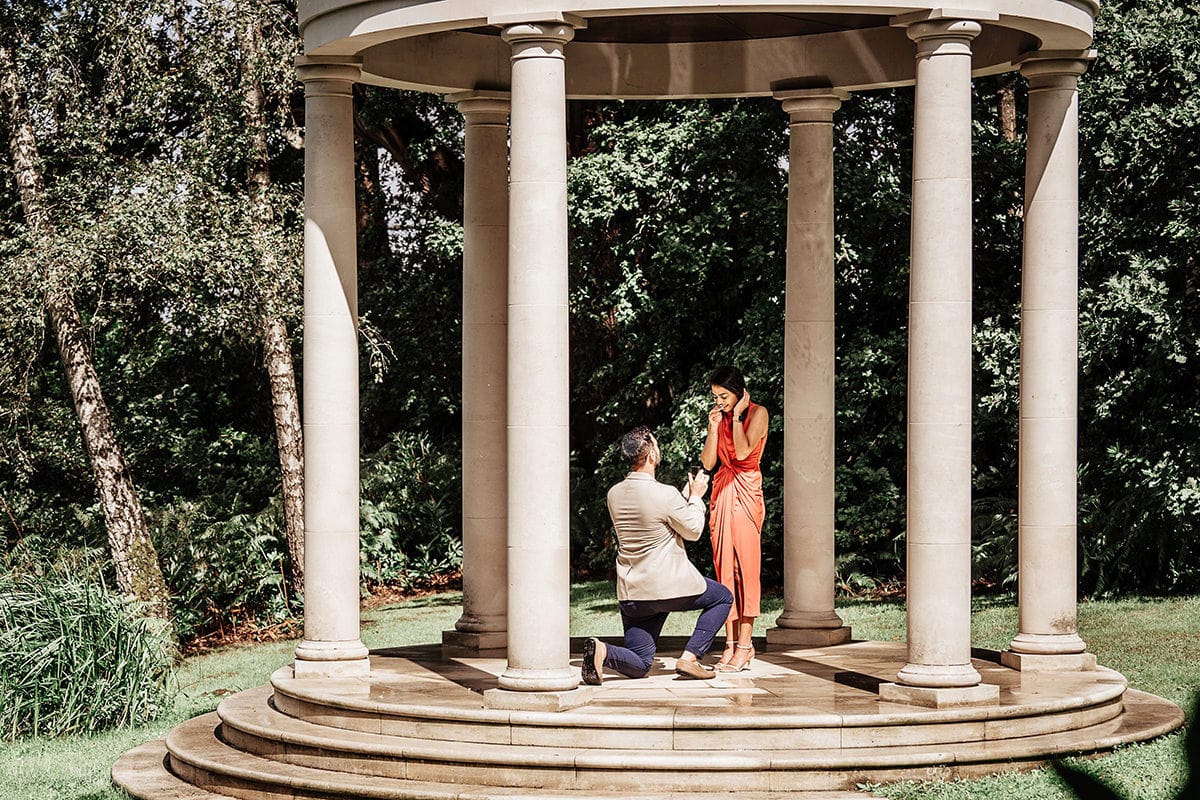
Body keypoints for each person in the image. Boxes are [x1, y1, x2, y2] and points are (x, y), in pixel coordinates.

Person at [581, 426, 734, 685]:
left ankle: (602, 650)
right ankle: (691, 657)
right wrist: (696, 498)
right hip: (669, 588)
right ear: (651, 454)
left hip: (634, 594)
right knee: (722, 597)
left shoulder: (614, 493)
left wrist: (683, 498)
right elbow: (693, 531)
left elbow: (652, 519)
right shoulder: (664, 493)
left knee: (640, 663)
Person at [699, 365, 768, 673]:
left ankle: (746, 644)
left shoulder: (758, 413)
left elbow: (742, 452)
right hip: (723, 491)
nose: (719, 403)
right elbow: (709, 462)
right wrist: (714, 428)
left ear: (739, 392)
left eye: (723, 396)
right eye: (715, 397)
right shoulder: (721, 417)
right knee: (724, 567)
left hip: (746, 489)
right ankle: (728, 644)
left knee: (745, 569)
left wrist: (738, 416)